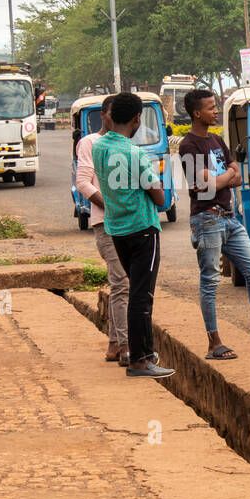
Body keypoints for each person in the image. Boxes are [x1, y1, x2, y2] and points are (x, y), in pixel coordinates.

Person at [178, 88, 250, 360]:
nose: (216, 111)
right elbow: (204, 185)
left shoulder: (216, 139)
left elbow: (235, 176)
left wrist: (222, 177)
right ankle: (214, 342)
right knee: (209, 281)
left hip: (228, 218)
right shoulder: (188, 145)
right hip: (206, 219)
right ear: (197, 113)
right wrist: (226, 176)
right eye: (211, 107)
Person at [95, 92, 174, 379]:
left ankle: (144, 354)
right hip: (143, 229)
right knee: (143, 296)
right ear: (137, 118)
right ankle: (141, 360)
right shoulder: (134, 152)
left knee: (136, 293)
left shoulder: (99, 146)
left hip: (117, 229)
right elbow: (160, 197)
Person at [74, 96, 131, 365]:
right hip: (106, 223)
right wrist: (112, 207)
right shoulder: (89, 143)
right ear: (104, 115)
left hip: (129, 224)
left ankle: (113, 344)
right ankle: (124, 344)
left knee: (123, 282)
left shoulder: (126, 144)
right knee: (122, 283)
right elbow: (83, 183)